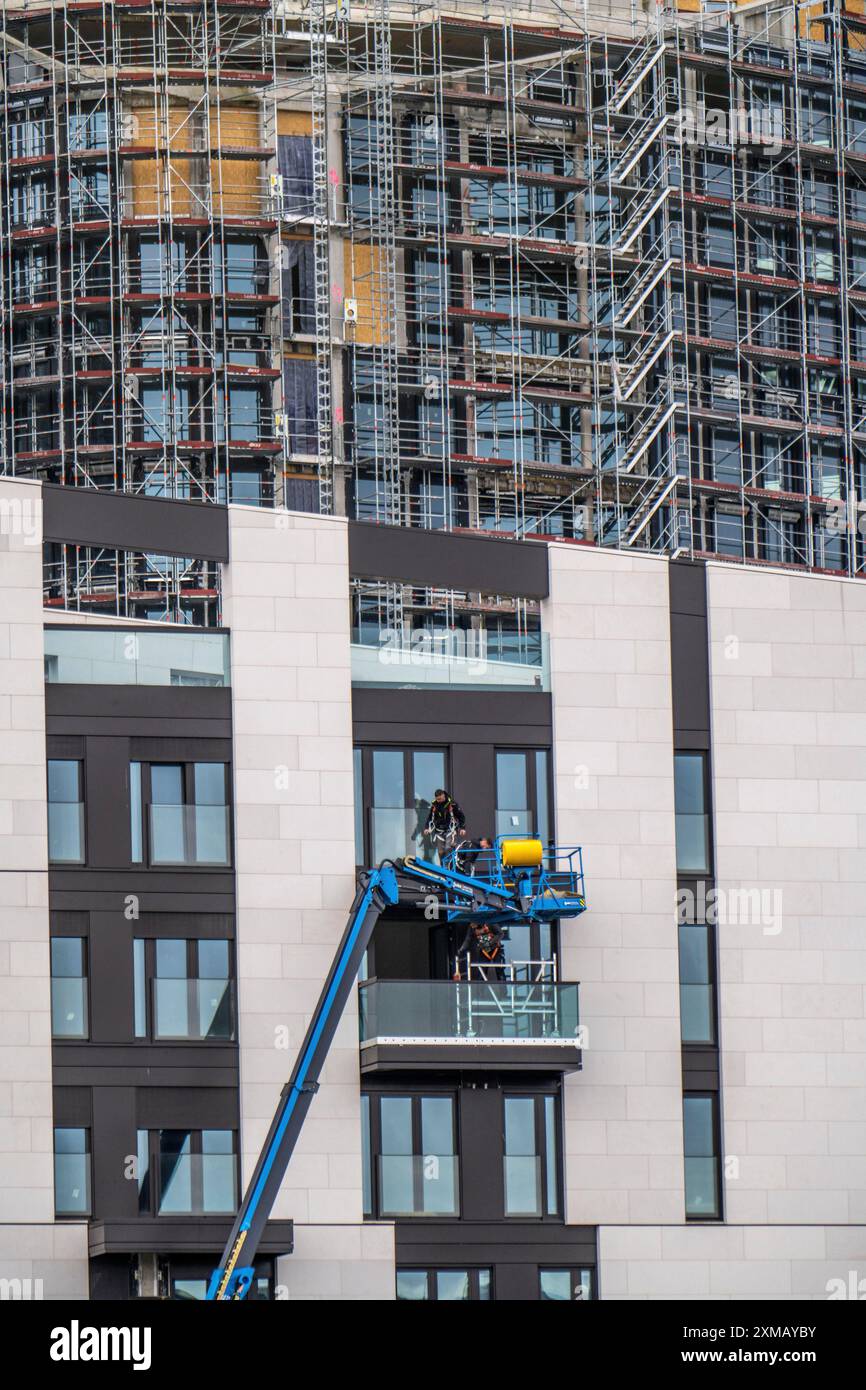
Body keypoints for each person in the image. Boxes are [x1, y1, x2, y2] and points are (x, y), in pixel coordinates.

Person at [423, 788, 466, 863]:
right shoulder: (434, 805)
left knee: (448, 848)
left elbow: (461, 816)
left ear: (443, 795)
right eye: (437, 799)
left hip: (450, 830)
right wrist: (427, 828)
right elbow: (430, 817)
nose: (438, 801)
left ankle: (449, 867)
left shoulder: (452, 804)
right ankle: (443, 867)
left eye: (440, 799)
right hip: (439, 830)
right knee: (440, 852)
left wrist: (462, 828)